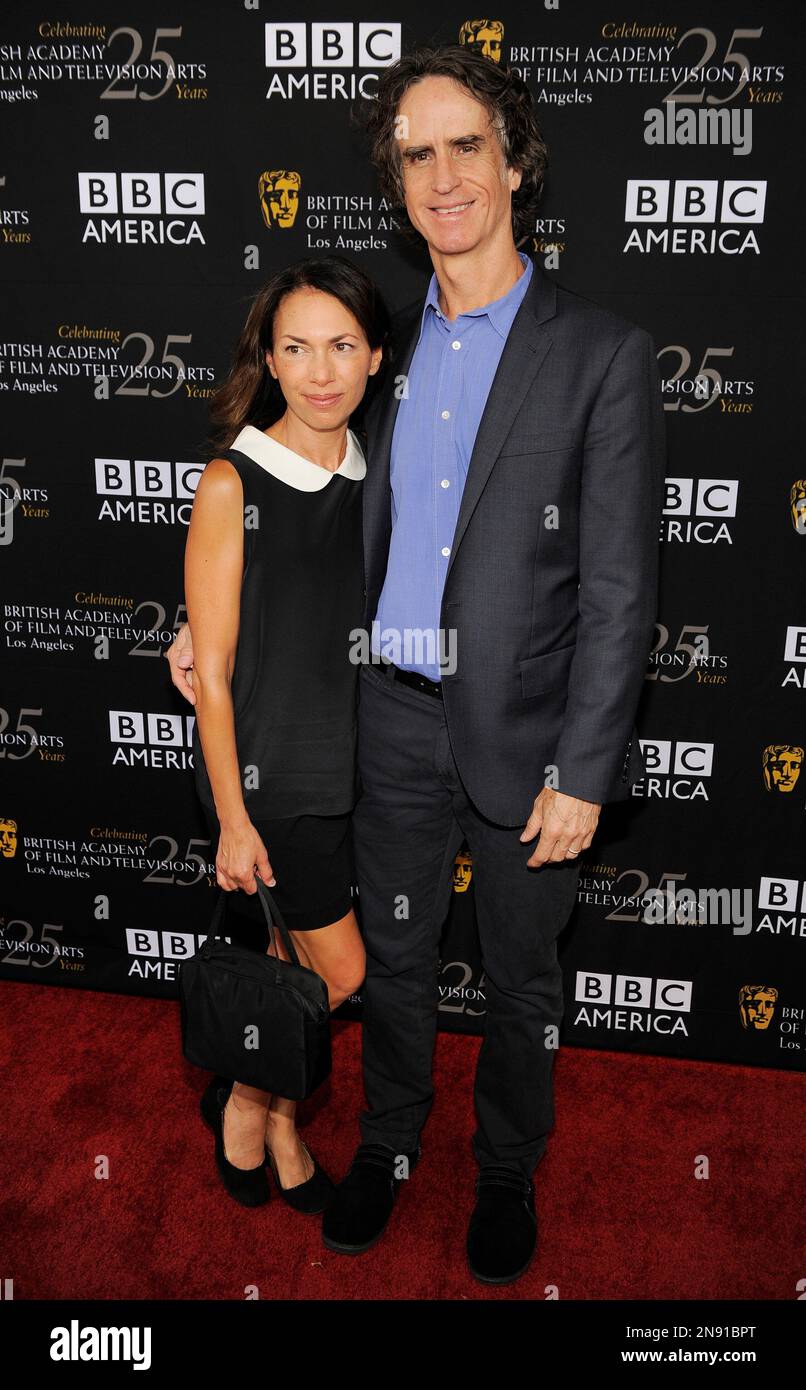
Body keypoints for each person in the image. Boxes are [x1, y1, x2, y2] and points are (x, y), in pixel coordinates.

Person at [170, 44, 665, 1283]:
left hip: (528, 731)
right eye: (415, 153)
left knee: (519, 974)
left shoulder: (597, 353)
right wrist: (209, 632)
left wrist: (585, 766)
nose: (441, 175)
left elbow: (616, 588)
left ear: (512, 164)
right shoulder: (376, 355)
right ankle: (388, 1141)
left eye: (464, 146)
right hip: (380, 717)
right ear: (396, 180)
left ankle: (505, 1165)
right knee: (390, 961)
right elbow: (303, 508)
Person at [181, 256, 387, 1211]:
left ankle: (260, 1098)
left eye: (342, 345)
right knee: (340, 970)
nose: (320, 371)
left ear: (376, 357)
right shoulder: (231, 481)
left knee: (286, 963)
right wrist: (231, 817)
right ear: (269, 357)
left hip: (357, 771)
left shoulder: (374, 479)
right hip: (266, 781)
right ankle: (258, 1101)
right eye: (297, 347)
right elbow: (211, 673)